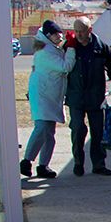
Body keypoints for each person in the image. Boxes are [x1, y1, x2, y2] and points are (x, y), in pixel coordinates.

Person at [64, 16, 111, 176]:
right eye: (76, 31)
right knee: (78, 129)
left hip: (96, 97)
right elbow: (59, 69)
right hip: (76, 97)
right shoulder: (69, 47)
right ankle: (78, 162)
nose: (79, 35)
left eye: (82, 31)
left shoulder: (101, 47)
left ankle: (99, 164)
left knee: (98, 132)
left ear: (90, 30)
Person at [20, 20, 76, 179]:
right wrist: (71, 48)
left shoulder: (50, 48)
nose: (60, 36)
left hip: (49, 95)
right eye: (56, 34)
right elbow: (65, 67)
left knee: (49, 132)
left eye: (60, 33)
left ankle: (43, 165)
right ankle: (27, 161)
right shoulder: (45, 52)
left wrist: (67, 46)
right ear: (47, 36)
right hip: (43, 96)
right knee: (42, 128)